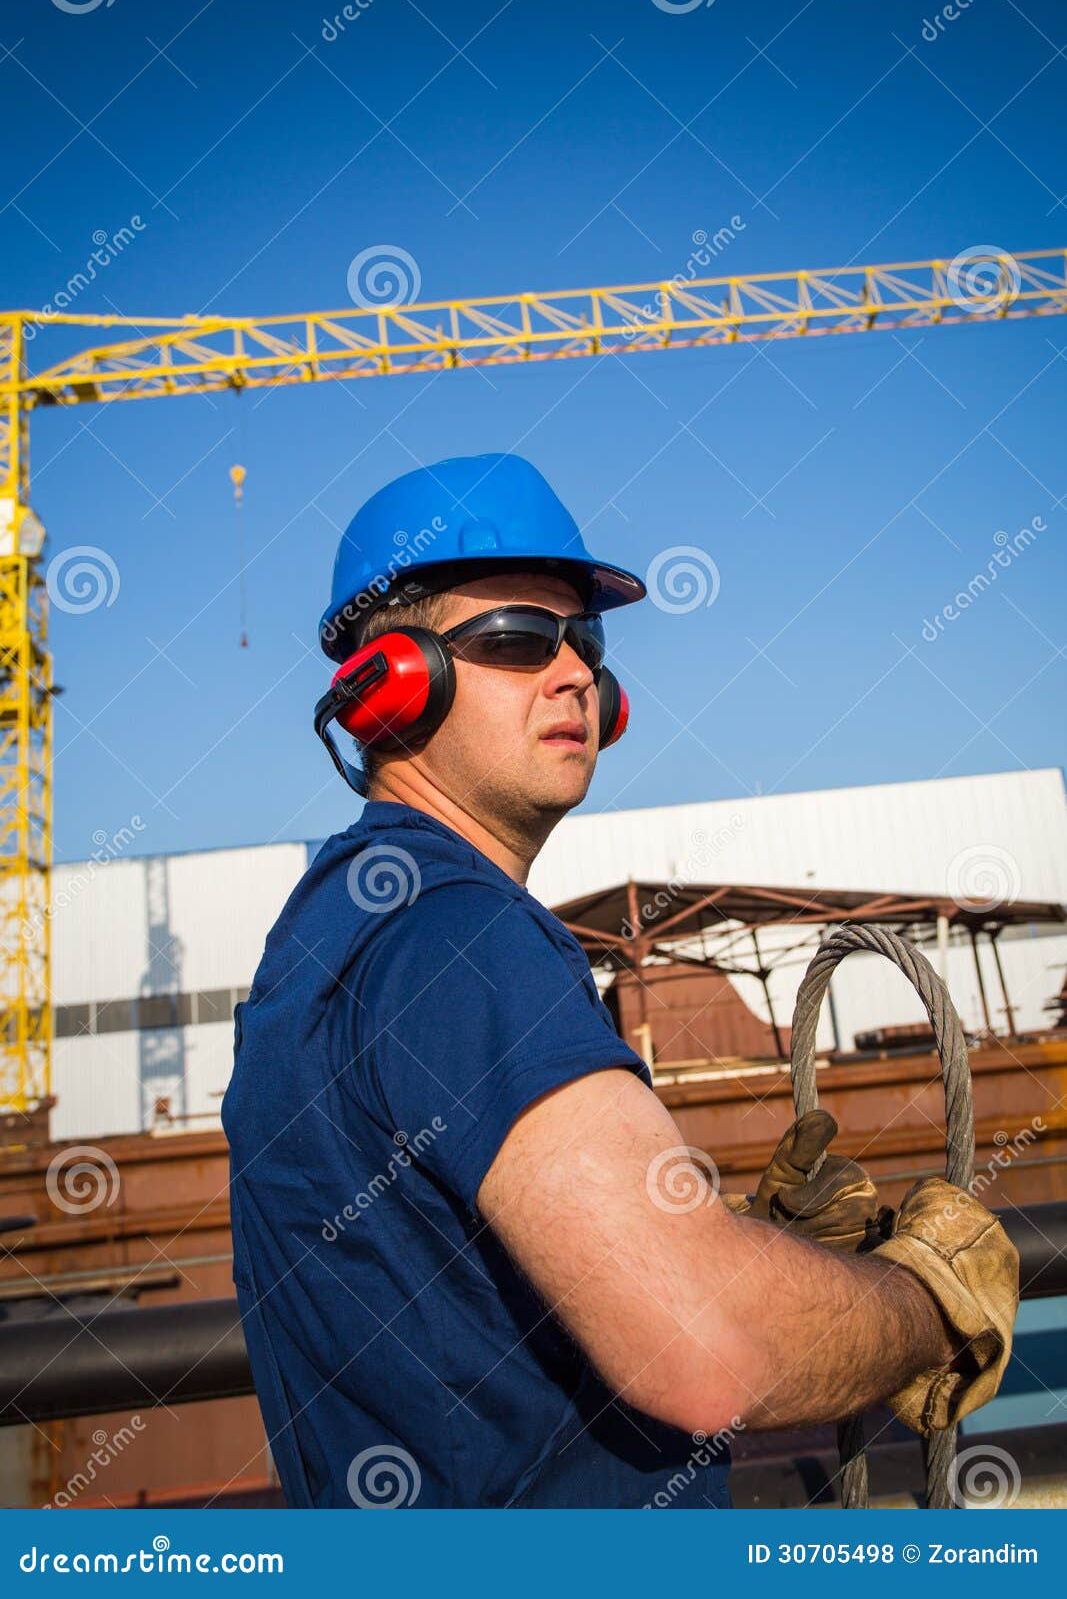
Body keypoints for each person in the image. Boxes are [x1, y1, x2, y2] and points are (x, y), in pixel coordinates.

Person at [221, 452, 1018, 1509]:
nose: (571, 675)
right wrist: (927, 1305)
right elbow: (704, 1348)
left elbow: (465, 1284)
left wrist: (757, 1253)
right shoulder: (462, 938)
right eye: (514, 638)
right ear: (390, 684)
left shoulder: (328, 935)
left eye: (583, 643)